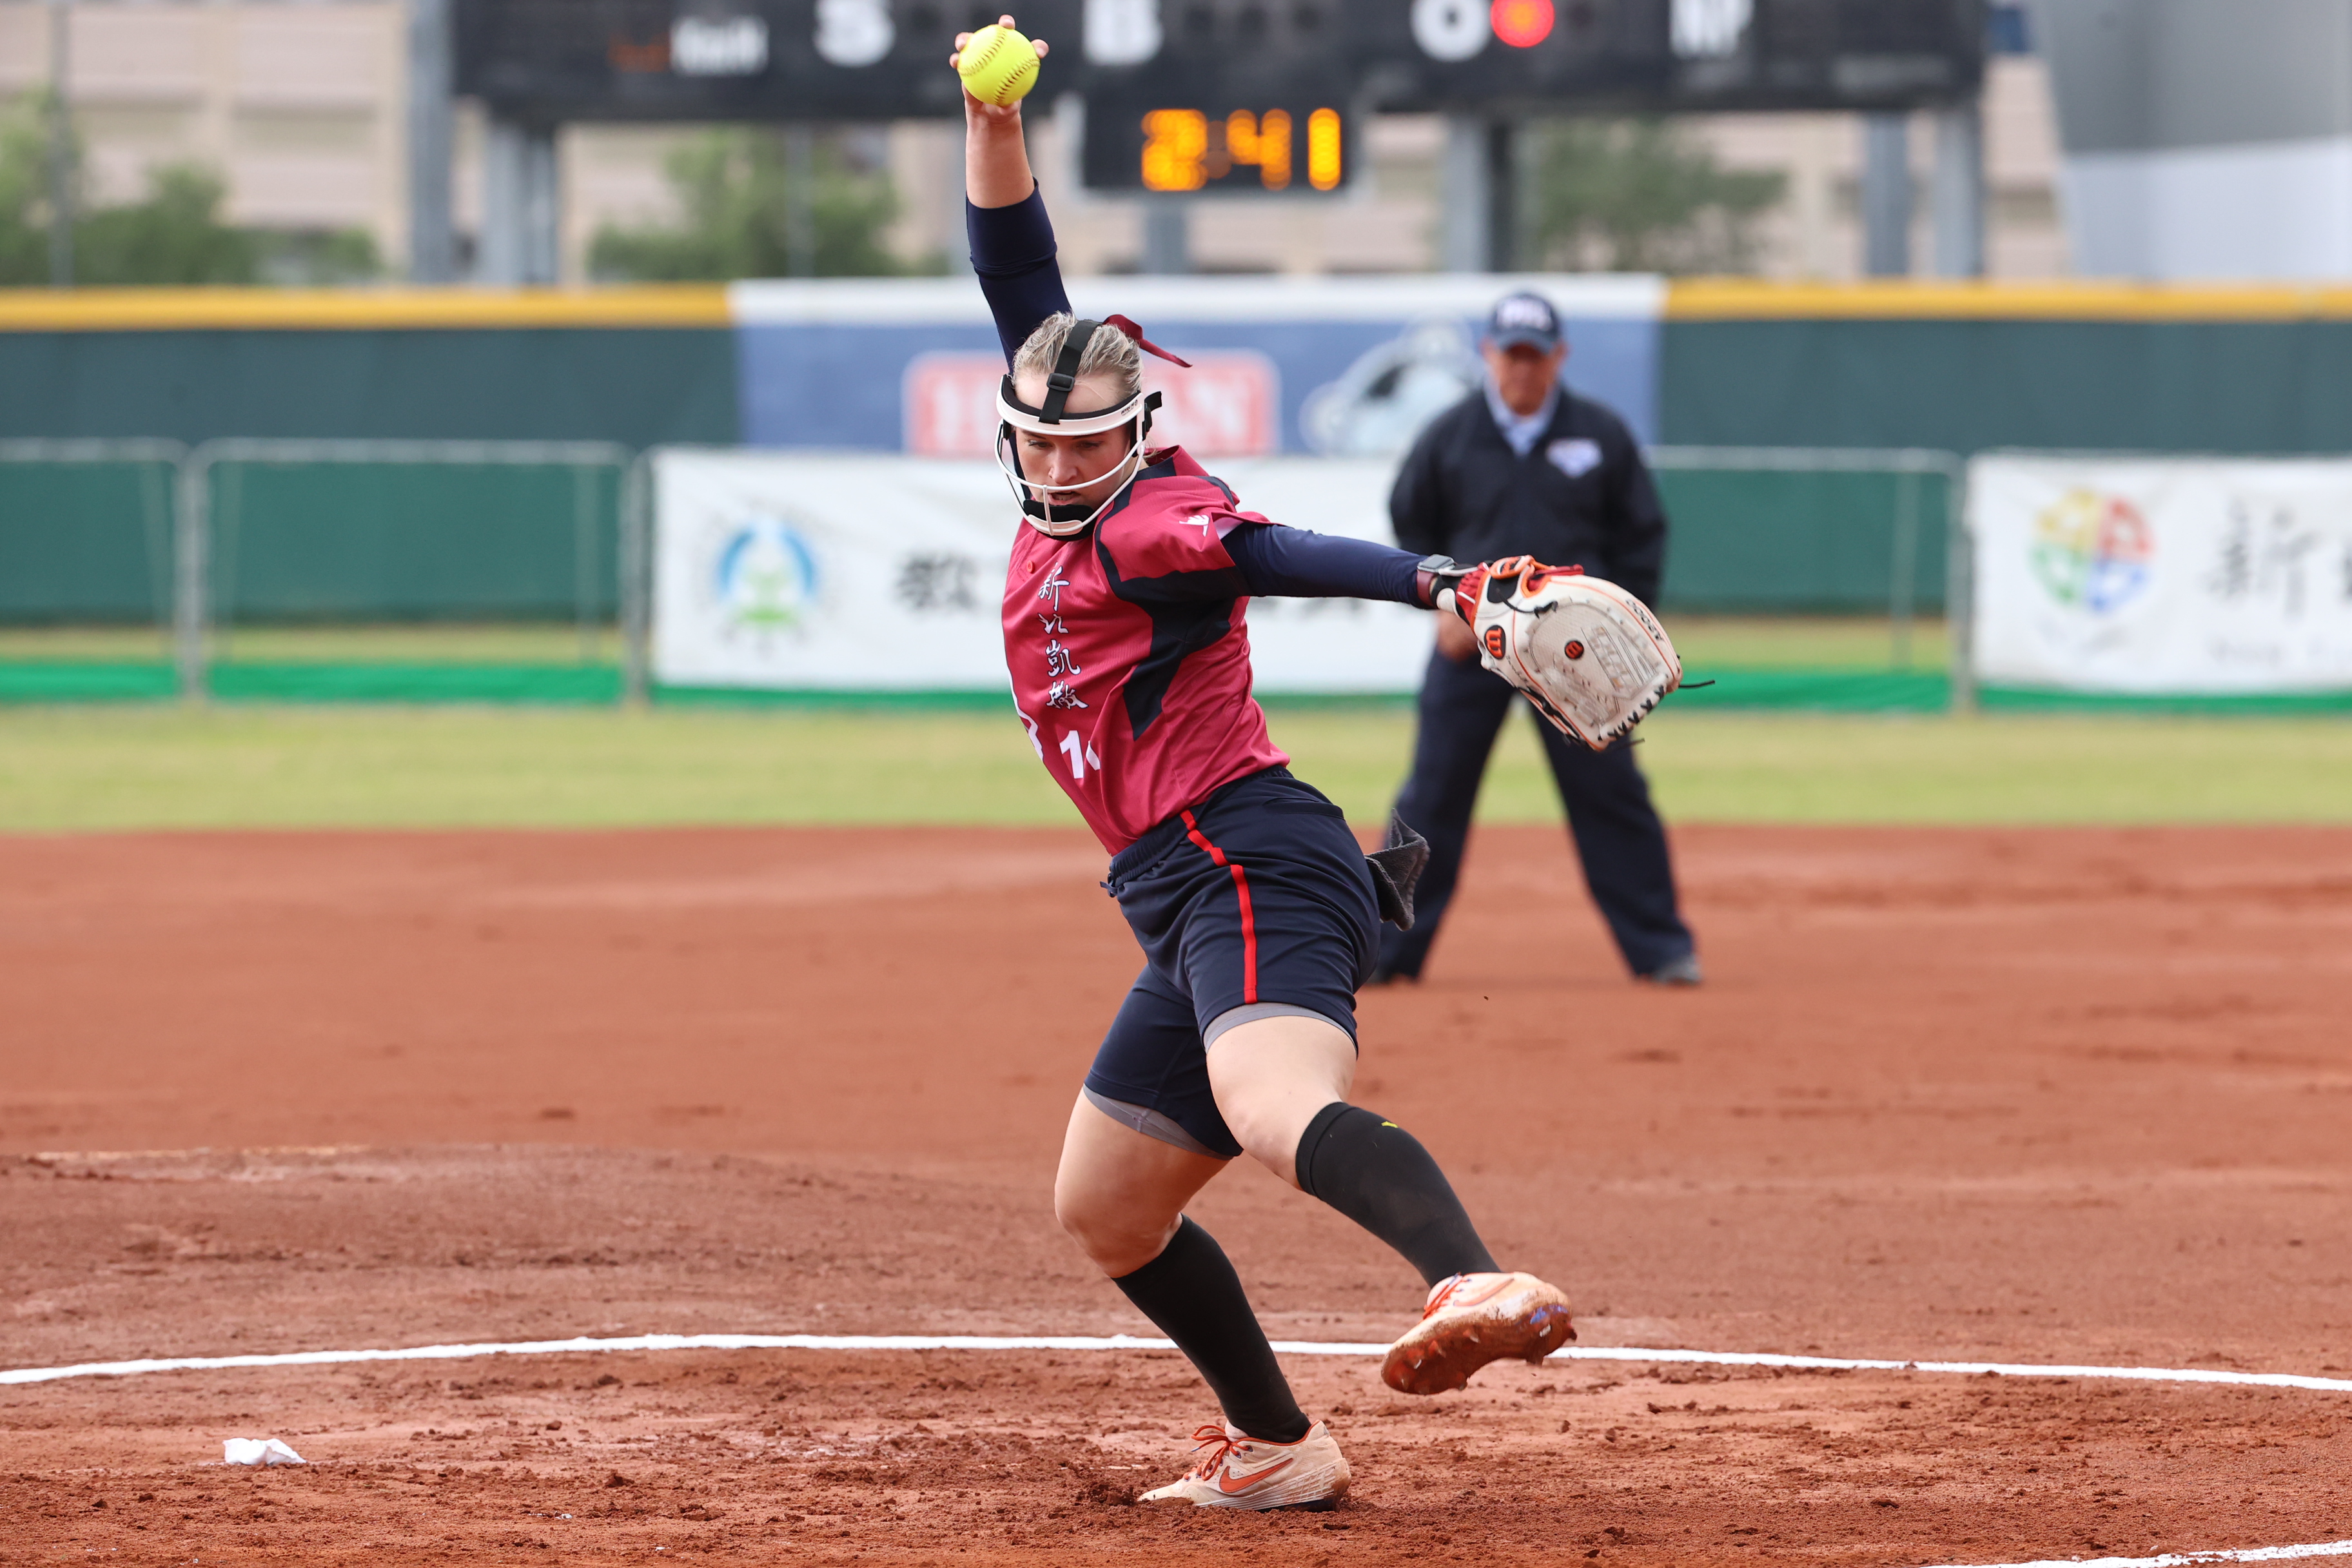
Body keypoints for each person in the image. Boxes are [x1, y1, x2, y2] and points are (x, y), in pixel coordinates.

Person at [951, 17, 1576, 1514]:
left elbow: (1276, 551)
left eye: (1081, 444)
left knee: (1270, 1103)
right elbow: (1021, 284)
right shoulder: (1062, 433)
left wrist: (1438, 581)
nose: (1055, 464)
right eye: (1035, 442)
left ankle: (1474, 1275)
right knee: (1105, 1206)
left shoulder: (1160, 521)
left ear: (1140, 429)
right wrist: (989, 121)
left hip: (1245, 849)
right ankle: (1281, 1443)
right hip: (1179, 883)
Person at [1373, 293, 1701, 987]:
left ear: (1559, 357)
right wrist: (1440, 604)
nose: (1522, 370)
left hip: (1573, 659)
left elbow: (1643, 538)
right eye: (1510, 354)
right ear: (1490, 354)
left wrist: (1621, 631)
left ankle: (1662, 949)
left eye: (1535, 356)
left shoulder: (1601, 434)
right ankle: (1387, 952)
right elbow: (1411, 524)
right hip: (1474, 644)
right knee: (1433, 797)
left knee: (1611, 794)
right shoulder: (1450, 435)